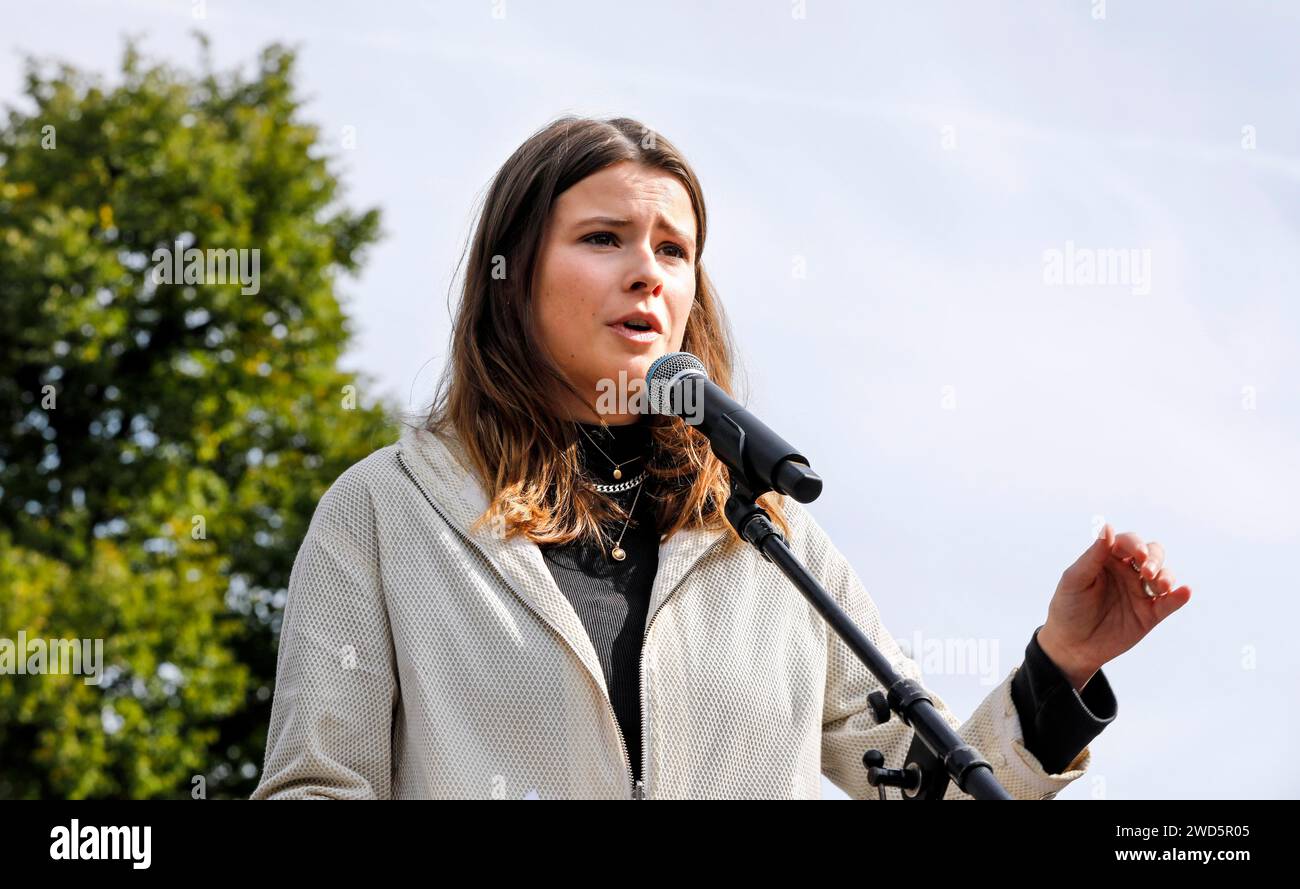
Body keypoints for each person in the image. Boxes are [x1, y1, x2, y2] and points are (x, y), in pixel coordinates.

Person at [251, 116, 1192, 799]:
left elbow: (918, 783)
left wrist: (1059, 667)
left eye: (674, 249)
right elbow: (316, 788)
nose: (646, 272)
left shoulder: (765, 535)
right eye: (602, 238)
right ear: (513, 276)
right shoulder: (385, 510)